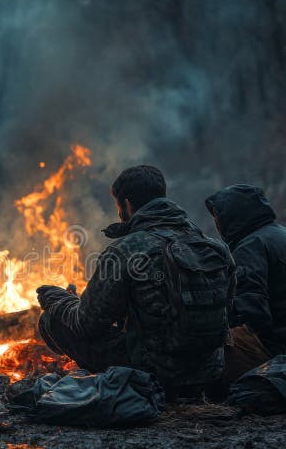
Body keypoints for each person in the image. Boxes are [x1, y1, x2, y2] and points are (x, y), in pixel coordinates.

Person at [36, 165, 235, 396]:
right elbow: (227, 312)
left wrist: (57, 299)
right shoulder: (215, 247)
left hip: (155, 375)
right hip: (210, 372)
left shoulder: (126, 249)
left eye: (119, 207)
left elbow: (86, 323)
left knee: (52, 321)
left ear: (127, 205)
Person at [205, 184, 286, 384]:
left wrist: (212, 319)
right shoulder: (278, 233)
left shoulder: (251, 246)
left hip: (283, 349)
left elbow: (251, 312)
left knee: (205, 350)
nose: (217, 224)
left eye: (218, 217)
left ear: (234, 215)